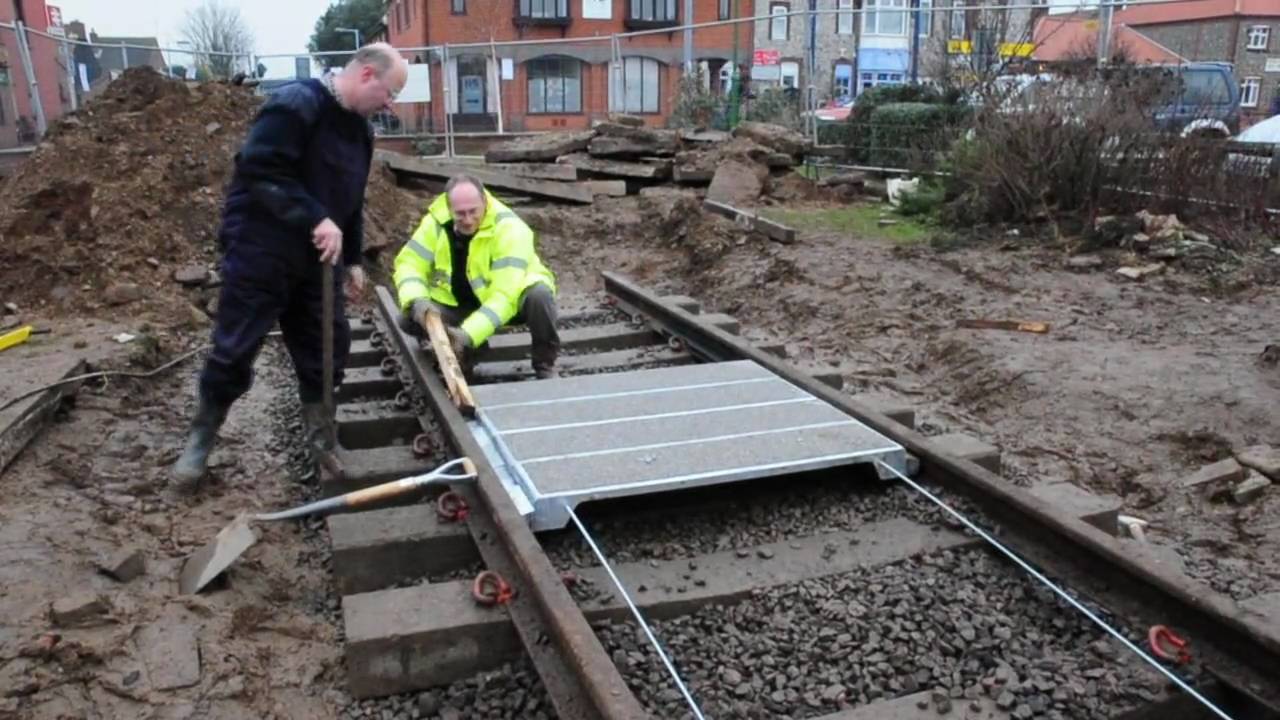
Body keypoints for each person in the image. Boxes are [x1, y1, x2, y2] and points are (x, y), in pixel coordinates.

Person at [171, 43, 409, 494]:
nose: (391, 103)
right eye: (390, 91)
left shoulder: (360, 132)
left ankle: (322, 436)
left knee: (329, 346)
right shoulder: (297, 104)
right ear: (365, 75)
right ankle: (200, 442)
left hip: (319, 258)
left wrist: (354, 259)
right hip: (262, 246)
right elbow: (260, 170)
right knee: (235, 348)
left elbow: (350, 201)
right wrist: (314, 217)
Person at [393, 175, 560, 379]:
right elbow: (409, 263)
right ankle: (469, 354)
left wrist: (468, 336)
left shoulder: (511, 228)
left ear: (485, 202)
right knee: (407, 318)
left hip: (509, 302)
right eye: (460, 214)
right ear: (448, 207)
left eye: (473, 212)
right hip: (461, 303)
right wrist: (418, 301)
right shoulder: (436, 222)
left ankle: (544, 364)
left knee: (540, 296)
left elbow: (504, 296)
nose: (468, 220)